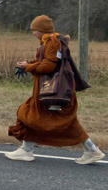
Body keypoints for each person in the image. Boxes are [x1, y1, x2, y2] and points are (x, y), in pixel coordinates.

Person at [6, 14, 104, 164]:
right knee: (33, 115)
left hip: (52, 91)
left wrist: (28, 67)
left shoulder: (52, 43)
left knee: (29, 113)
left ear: (42, 30)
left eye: (34, 30)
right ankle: (27, 149)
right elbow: (46, 62)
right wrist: (29, 63)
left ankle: (92, 150)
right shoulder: (49, 42)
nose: (33, 33)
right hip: (49, 90)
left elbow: (49, 66)